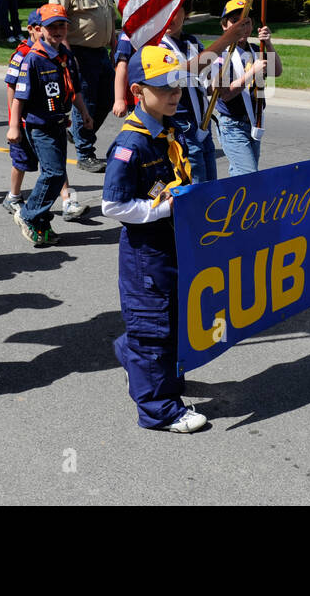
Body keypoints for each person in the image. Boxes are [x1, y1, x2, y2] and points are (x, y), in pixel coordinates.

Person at [103, 45, 206, 434]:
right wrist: (165, 210)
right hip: (147, 251)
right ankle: (159, 410)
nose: (174, 94)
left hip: (173, 242)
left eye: (178, 87)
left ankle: (142, 364)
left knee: (175, 318)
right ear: (138, 92)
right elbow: (112, 206)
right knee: (154, 326)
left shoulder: (166, 130)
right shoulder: (132, 145)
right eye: (164, 88)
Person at [9, 3, 93, 246]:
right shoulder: (33, 60)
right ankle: (29, 214)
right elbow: (19, 97)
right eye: (51, 26)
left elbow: (74, 90)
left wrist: (85, 113)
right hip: (40, 126)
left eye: (62, 25)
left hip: (58, 123)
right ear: (39, 29)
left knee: (56, 175)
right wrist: (14, 126)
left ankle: (41, 222)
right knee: (53, 173)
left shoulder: (65, 57)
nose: (57, 30)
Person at [160, 3, 254, 184]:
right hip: (180, 124)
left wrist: (218, 82)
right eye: (165, 11)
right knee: (196, 184)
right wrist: (226, 39)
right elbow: (183, 73)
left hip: (202, 123)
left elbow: (208, 83)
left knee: (210, 184)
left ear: (186, 13)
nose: (169, 18)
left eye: (175, 12)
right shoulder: (159, 46)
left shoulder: (192, 42)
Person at [49, 0, 117, 172]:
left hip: (100, 53)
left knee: (109, 99)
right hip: (79, 52)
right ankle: (85, 154)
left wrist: (114, 45)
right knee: (86, 104)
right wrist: (67, 55)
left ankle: (77, 134)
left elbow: (109, 18)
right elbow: (56, 21)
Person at [214, 0, 281, 177]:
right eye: (235, 21)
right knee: (249, 175)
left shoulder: (254, 49)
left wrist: (268, 43)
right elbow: (225, 94)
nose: (242, 26)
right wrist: (252, 72)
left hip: (254, 121)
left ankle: (234, 205)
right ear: (224, 26)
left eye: (246, 22)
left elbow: (277, 70)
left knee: (240, 177)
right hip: (232, 124)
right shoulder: (220, 55)